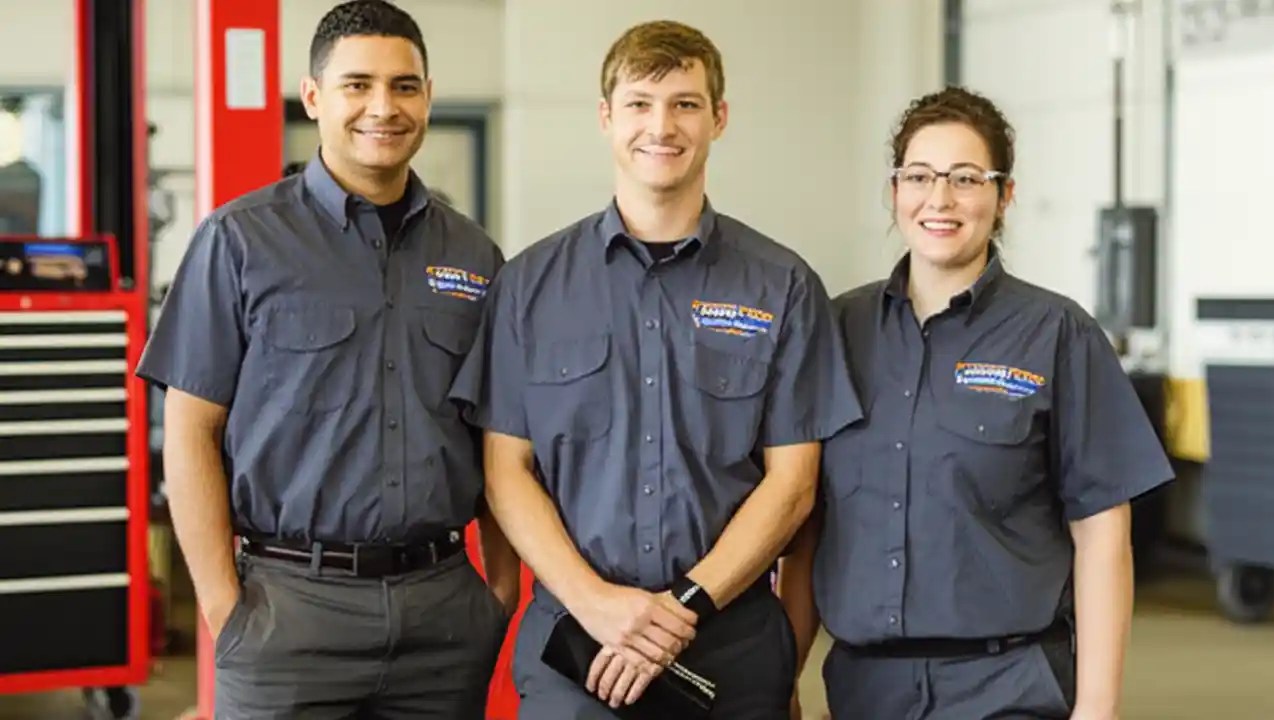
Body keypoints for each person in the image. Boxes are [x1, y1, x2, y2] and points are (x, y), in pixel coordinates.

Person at [448, 19, 860, 720]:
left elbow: (794, 485)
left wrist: (682, 607)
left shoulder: (782, 287)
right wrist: (597, 603)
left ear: (719, 118)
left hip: (727, 643)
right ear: (607, 118)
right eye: (640, 102)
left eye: (686, 103)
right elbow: (504, 472)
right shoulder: (529, 286)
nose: (661, 125)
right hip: (575, 646)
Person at [135, 1, 519, 717]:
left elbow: (499, 433)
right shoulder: (239, 241)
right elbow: (191, 432)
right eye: (357, 85)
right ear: (313, 98)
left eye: (405, 86)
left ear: (428, 97)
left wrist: (496, 593)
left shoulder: (475, 256)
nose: (383, 106)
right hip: (288, 611)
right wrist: (226, 609)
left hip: (442, 617)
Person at [779, 86, 1175, 720]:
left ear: (1004, 195)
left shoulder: (1057, 334)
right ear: (895, 189)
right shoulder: (837, 331)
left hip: (1007, 687)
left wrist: (1098, 707)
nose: (940, 199)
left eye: (966, 178)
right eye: (920, 176)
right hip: (862, 691)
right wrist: (782, 684)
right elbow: (807, 529)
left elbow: (1103, 535)